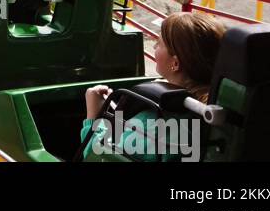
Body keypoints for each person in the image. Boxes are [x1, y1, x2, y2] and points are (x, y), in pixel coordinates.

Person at [79, 12, 225, 160]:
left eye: (160, 43)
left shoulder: (155, 123)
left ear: (175, 63)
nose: (154, 46)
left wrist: (94, 115)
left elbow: (97, 157)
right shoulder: (215, 110)